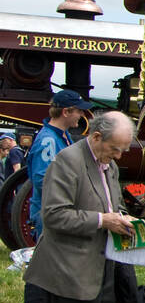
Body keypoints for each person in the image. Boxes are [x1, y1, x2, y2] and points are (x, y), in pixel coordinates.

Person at [23, 111, 137, 303]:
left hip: (103, 266)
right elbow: (55, 215)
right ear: (96, 137)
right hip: (69, 268)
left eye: (123, 149)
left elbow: (113, 203)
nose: (119, 155)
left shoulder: (108, 165)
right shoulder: (67, 162)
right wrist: (103, 220)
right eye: (115, 148)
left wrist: (124, 217)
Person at [27, 89, 95, 239]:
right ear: (66, 112)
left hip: (59, 211)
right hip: (49, 214)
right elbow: (42, 180)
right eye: (79, 111)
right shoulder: (48, 140)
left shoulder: (64, 136)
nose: (82, 115)